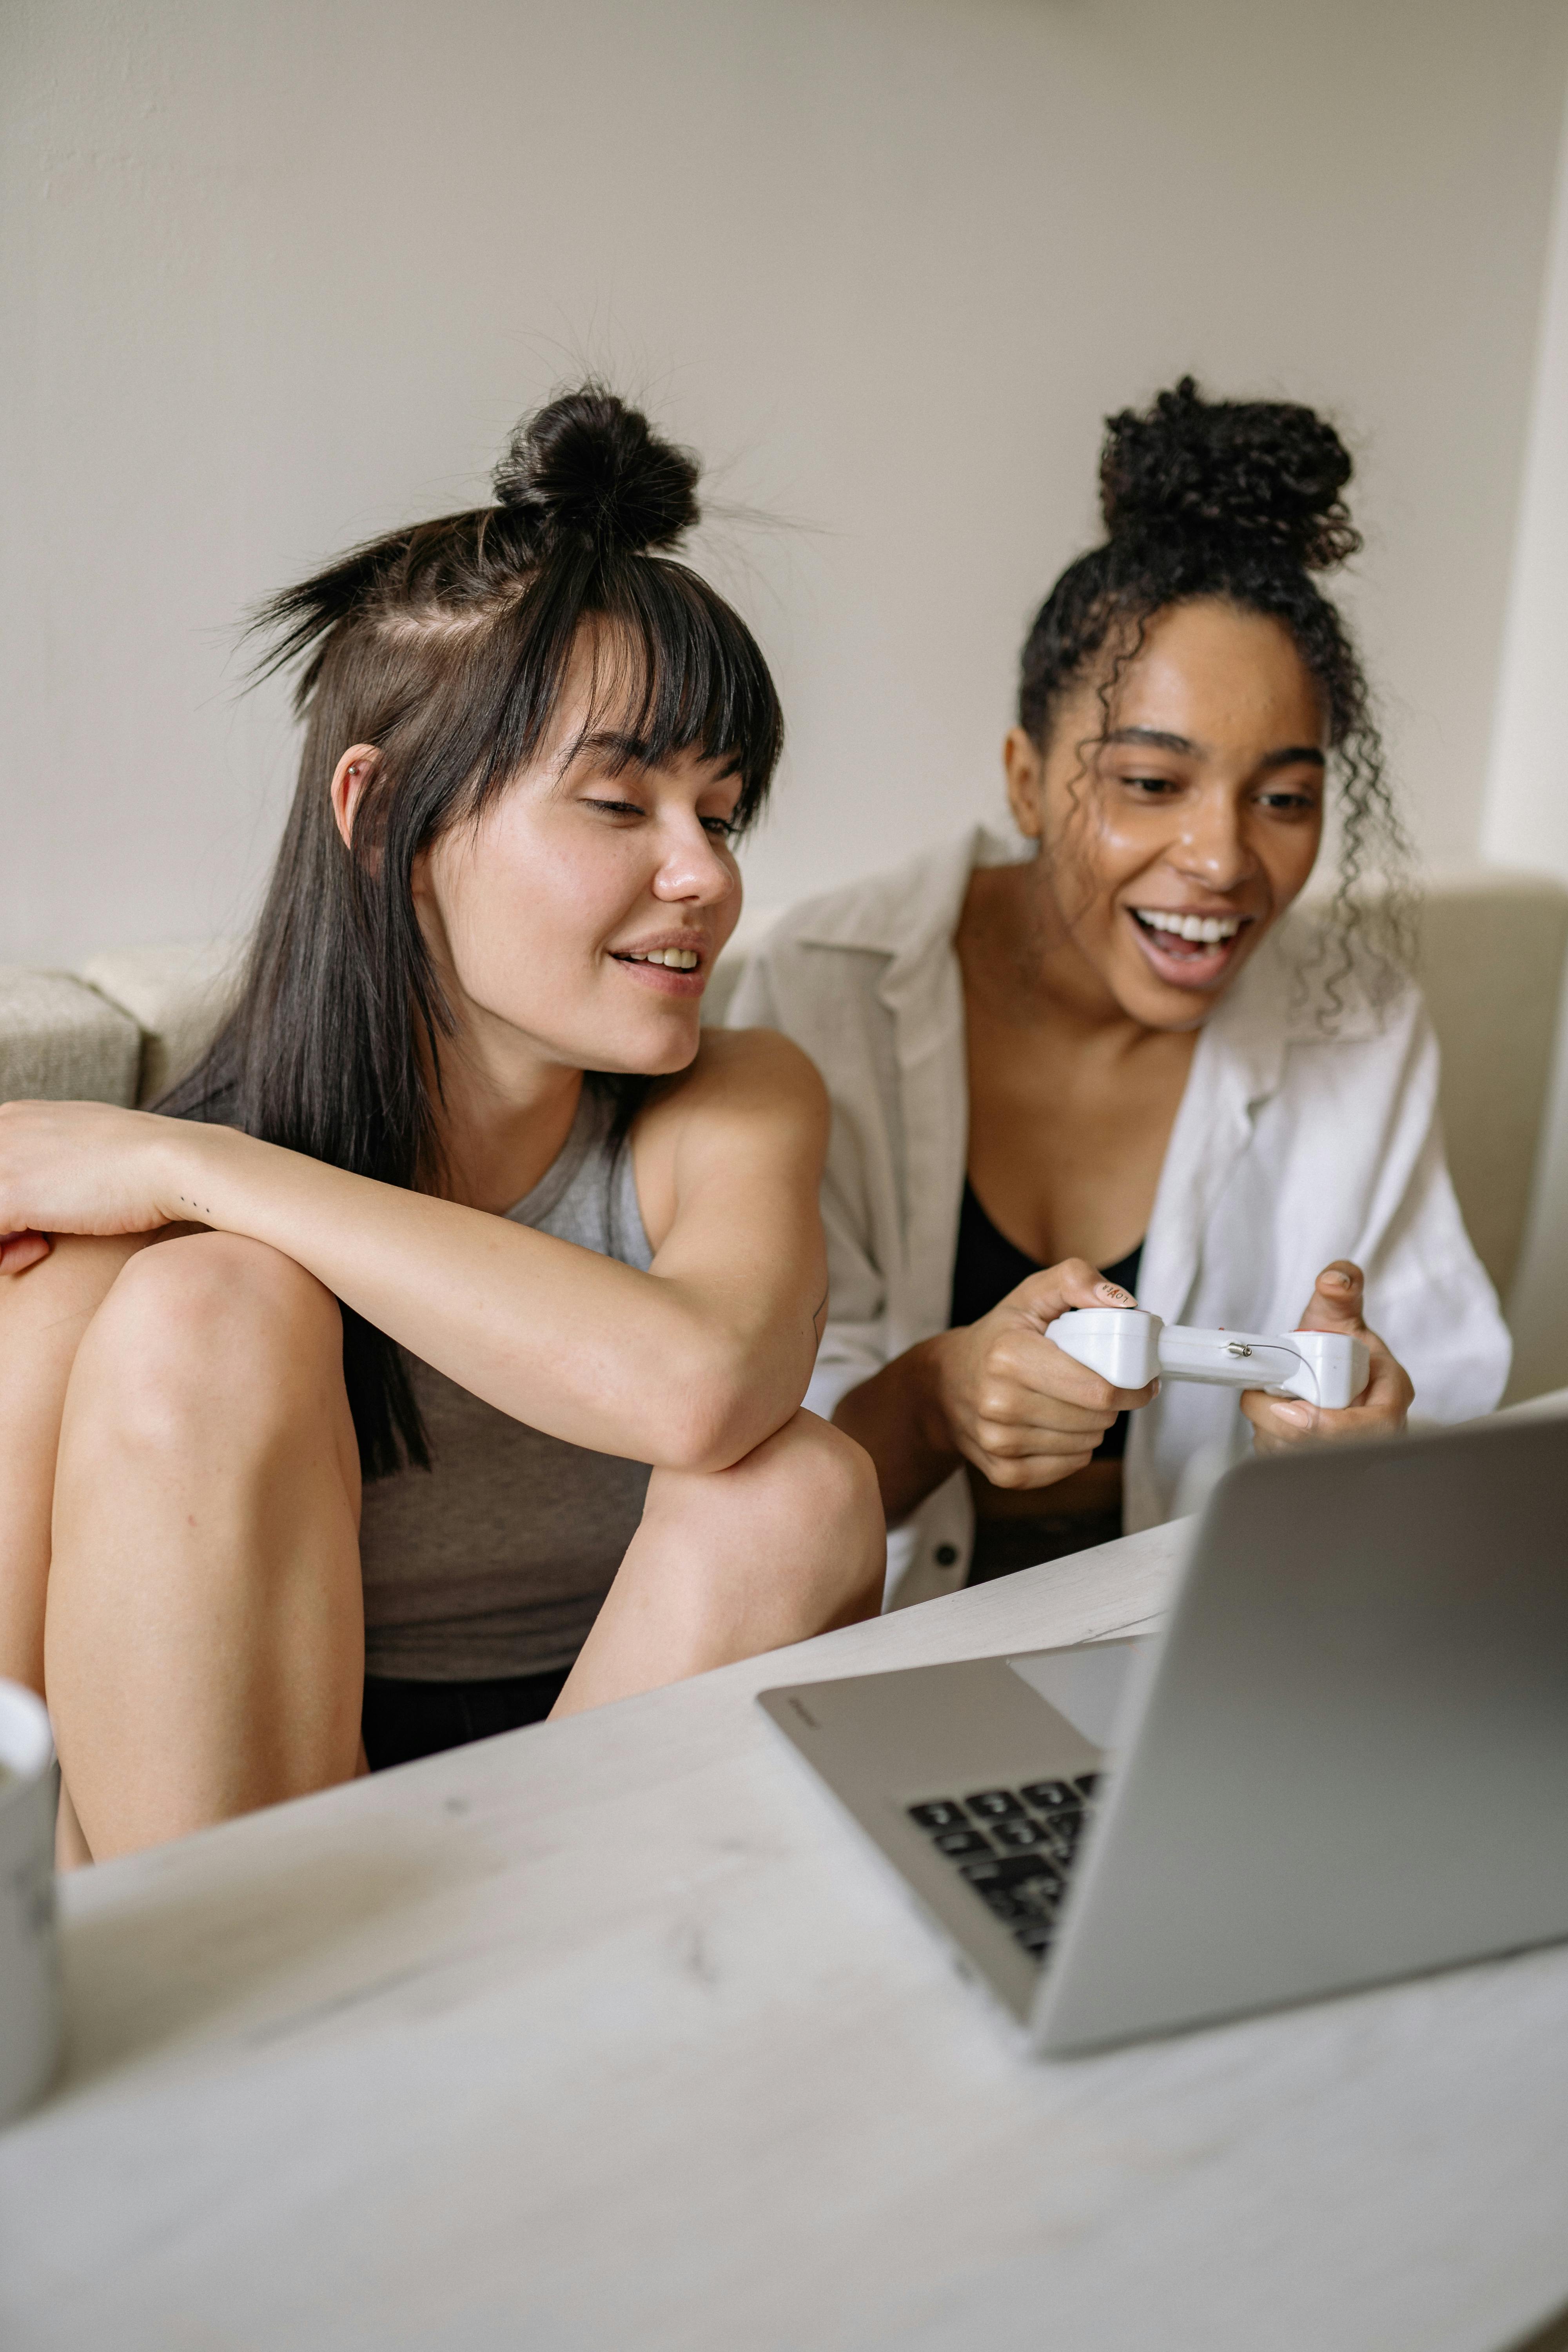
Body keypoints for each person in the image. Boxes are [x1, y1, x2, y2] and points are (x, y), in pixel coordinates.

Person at [0, 387, 884, 1863]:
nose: (705, 878)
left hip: (602, 1812)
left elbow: (705, 1389)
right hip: (242, 1854)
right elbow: (14, 1754)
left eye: (720, 816)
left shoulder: (733, 1101)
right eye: (619, 805)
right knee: (208, 1299)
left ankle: (501, 2049)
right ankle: (275, 2065)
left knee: (794, 1488)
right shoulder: (119, 1264)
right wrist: (196, 1204)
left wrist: (194, 1161)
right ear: (387, 815)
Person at [731, 379, 1510, 1608]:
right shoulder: (822, 994)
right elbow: (742, 1473)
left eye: (1286, 796)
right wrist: (937, 1400)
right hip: (865, 1639)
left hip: (1212, 1635)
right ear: (1028, 782)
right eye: (1152, 783)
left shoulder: (1357, 1023)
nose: (1223, 858)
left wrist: (1368, 1456)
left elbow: (1447, 1431)